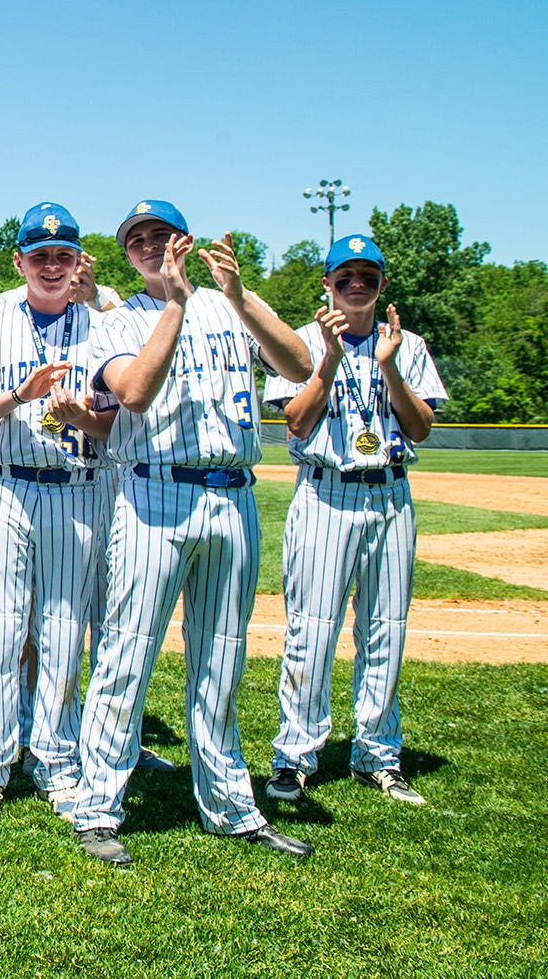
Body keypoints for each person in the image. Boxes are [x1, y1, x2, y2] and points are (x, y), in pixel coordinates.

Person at [67, 200, 314, 866]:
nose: (148, 245)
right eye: (135, 239)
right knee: (126, 654)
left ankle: (232, 807)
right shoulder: (115, 321)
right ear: (127, 254)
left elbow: (297, 367)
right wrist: (175, 305)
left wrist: (237, 295)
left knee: (222, 659)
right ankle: (96, 809)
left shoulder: (232, 302)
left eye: (159, 235)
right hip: (155, 490)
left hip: (232, 493)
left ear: (184, 240)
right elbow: (136, 393)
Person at [0, 203, 116, 826]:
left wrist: (79, 418)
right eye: (38, 256)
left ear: (78, 263)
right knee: (0, 626)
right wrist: (24, 394)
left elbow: (116, 424)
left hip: (77, 486)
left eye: (62, 255)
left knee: (64, 627)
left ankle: (57, 762)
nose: (50, 265)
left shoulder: (101, 329)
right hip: (7, 484)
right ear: (19, 261)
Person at [263, 235, 446, 807]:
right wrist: (330, 360)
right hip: (325, 494)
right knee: (311, 630)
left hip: (390, 494)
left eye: (367, 275)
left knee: (385, 629)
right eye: (345, 276)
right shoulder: (299, 341)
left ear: (382, 284)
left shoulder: (408, 345)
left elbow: (419, 429)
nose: (356, 284)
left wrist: (389, 370)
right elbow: (294, 422)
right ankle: (294, 757)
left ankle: (378, 755)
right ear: (328, 284)